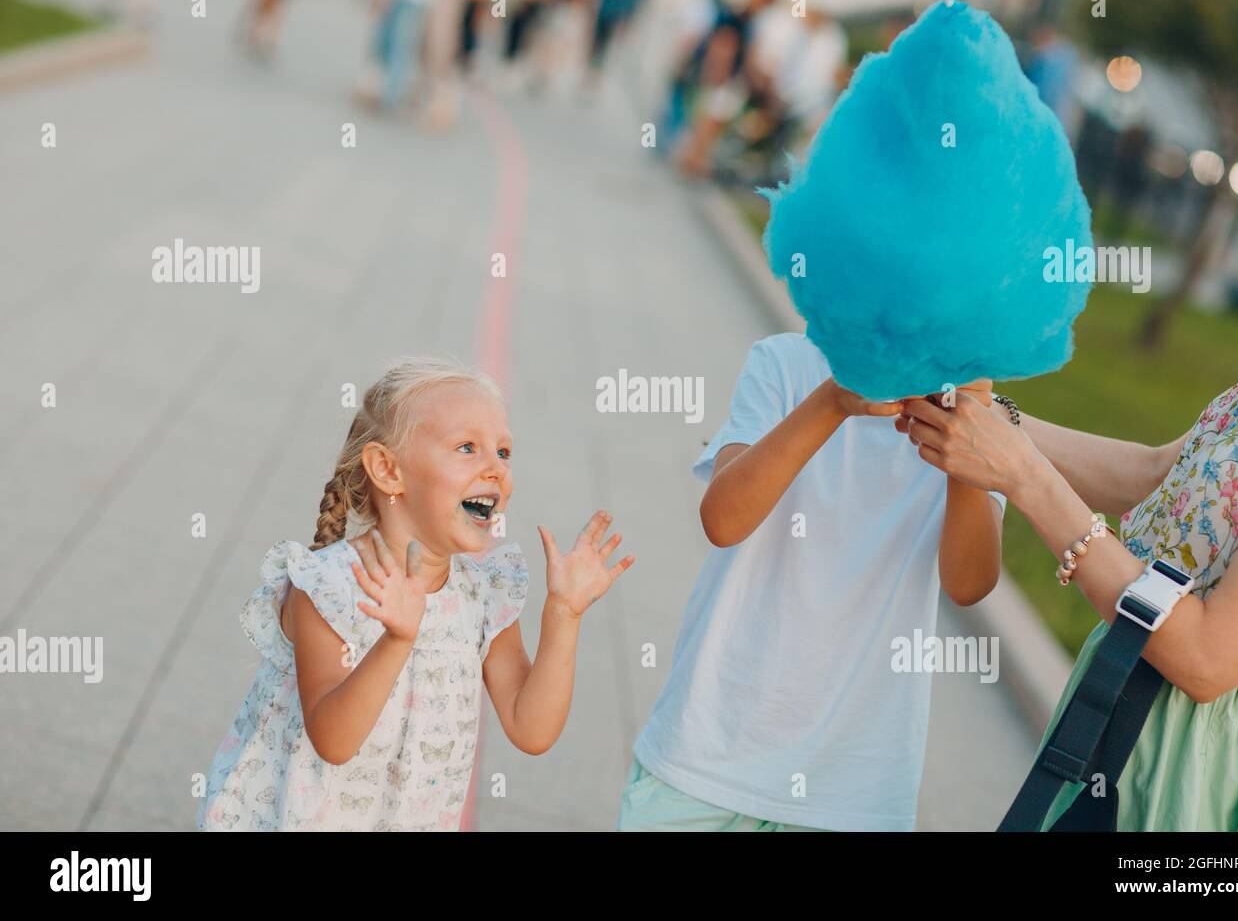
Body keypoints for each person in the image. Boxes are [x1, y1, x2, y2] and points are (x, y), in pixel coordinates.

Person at [898, 287, 1238, 830]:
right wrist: (982, 416)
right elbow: (1158, 477)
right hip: (1119, 696)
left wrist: (1025, 477)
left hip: (1205, 761)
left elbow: (1208, 658)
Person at [197, 356, 634, 830]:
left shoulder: (482, 594)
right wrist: (396, 641)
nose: (495, 469)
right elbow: (334, 739)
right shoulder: (327, 587)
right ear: (388, 470)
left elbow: (531, 728)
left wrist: (564, 616)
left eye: (504, 452)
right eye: (467, 447)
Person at [619, 333, 1006, 831]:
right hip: (706, 753)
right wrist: (833, 401)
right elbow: (723, 520)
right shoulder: (785, 362)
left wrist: (964, 447)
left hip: (853, 790)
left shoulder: (985, 420)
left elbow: (969, 583)